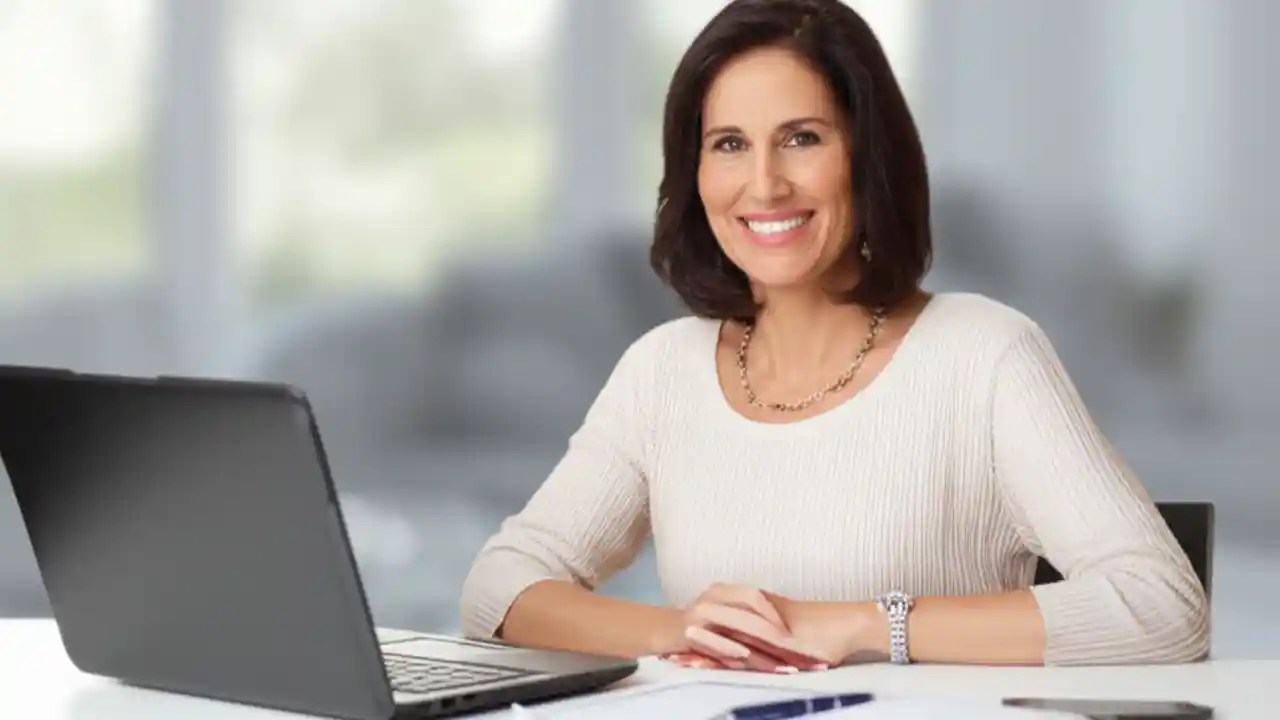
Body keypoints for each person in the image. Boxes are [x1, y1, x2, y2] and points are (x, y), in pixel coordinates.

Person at [459, 0, 1208, 670]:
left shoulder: (985, 354)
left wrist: (862, 625)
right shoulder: (661, 371)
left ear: (867, 157)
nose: (764, 184)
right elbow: (499, 589)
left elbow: (1162, 606)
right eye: (727, 144)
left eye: (802, 138)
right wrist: (680, 631)